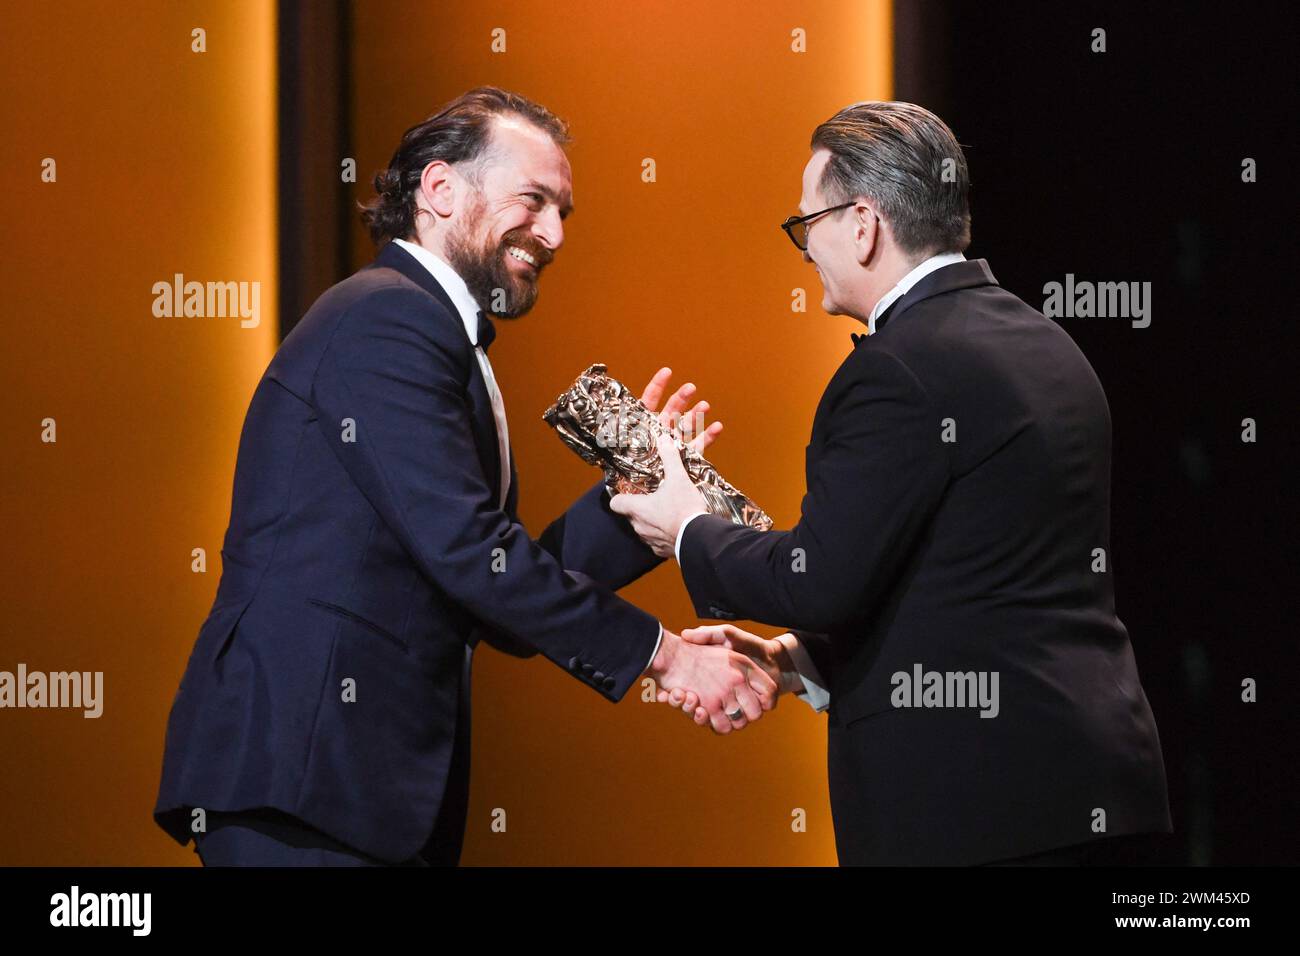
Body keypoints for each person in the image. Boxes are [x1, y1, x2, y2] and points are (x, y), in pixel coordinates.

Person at [154, 86, 775, 867]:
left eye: (563, 213)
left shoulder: (432, 333)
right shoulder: (388, 319)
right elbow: (470, 551)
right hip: (303, 777)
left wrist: (641, 491)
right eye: (534, 200)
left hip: (352, 792)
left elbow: (491, 595)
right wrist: (670, 657)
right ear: (439, 190)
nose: (551, 233)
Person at [611, 101, 1173, 865]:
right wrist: (790, 663)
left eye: (806, 224)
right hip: (1097, 790)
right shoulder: (1049, 344)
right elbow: (969, 580)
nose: (805, 250)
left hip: (976, 815)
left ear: (864, 223)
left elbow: (819, 582)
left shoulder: (895, 369)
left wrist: (686, 524)